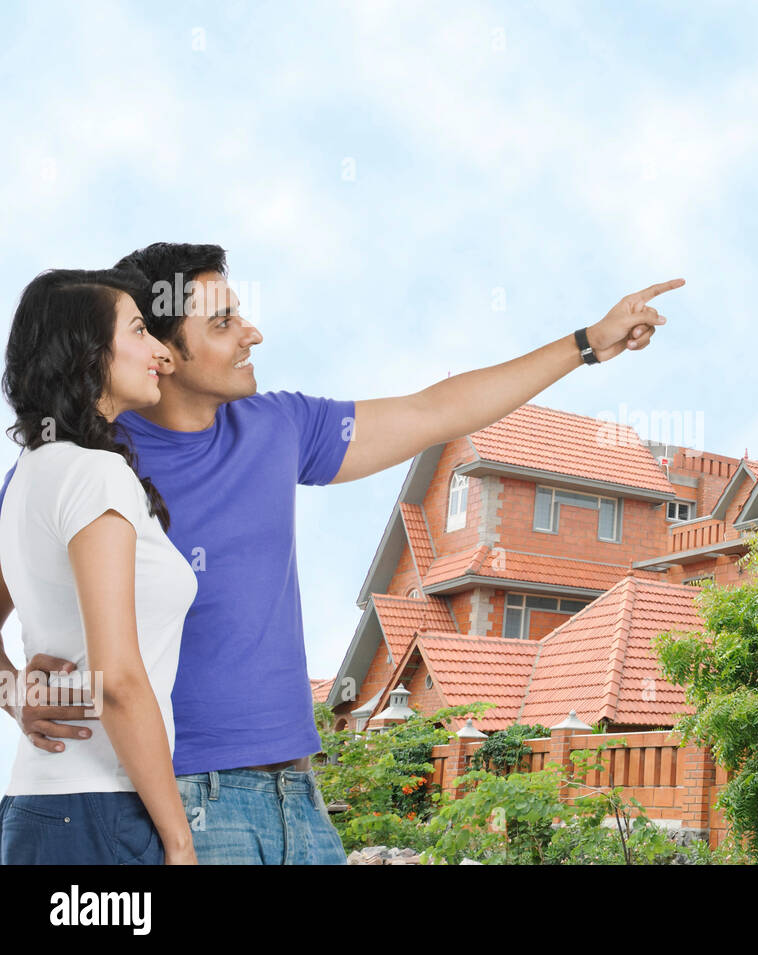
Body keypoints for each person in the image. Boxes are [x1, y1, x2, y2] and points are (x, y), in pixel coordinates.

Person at [5, 242, 682, 864]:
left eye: (239, 314)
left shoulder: (279, 425)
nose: (252, 333)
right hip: (184, 800)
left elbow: (435, 410)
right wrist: (17, 690)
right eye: (221, 324)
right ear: (162, 350)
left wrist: (587, 344)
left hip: (300, 797)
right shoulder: (89, 465)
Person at [0, 268, 198, 865]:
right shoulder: (95, 474)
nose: (160, 353)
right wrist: (179, 839)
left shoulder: (31, 474)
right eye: (139, 331)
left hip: (40, 805)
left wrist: (17, 695)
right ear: (89, 357)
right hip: (102, 809)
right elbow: (119, 682)